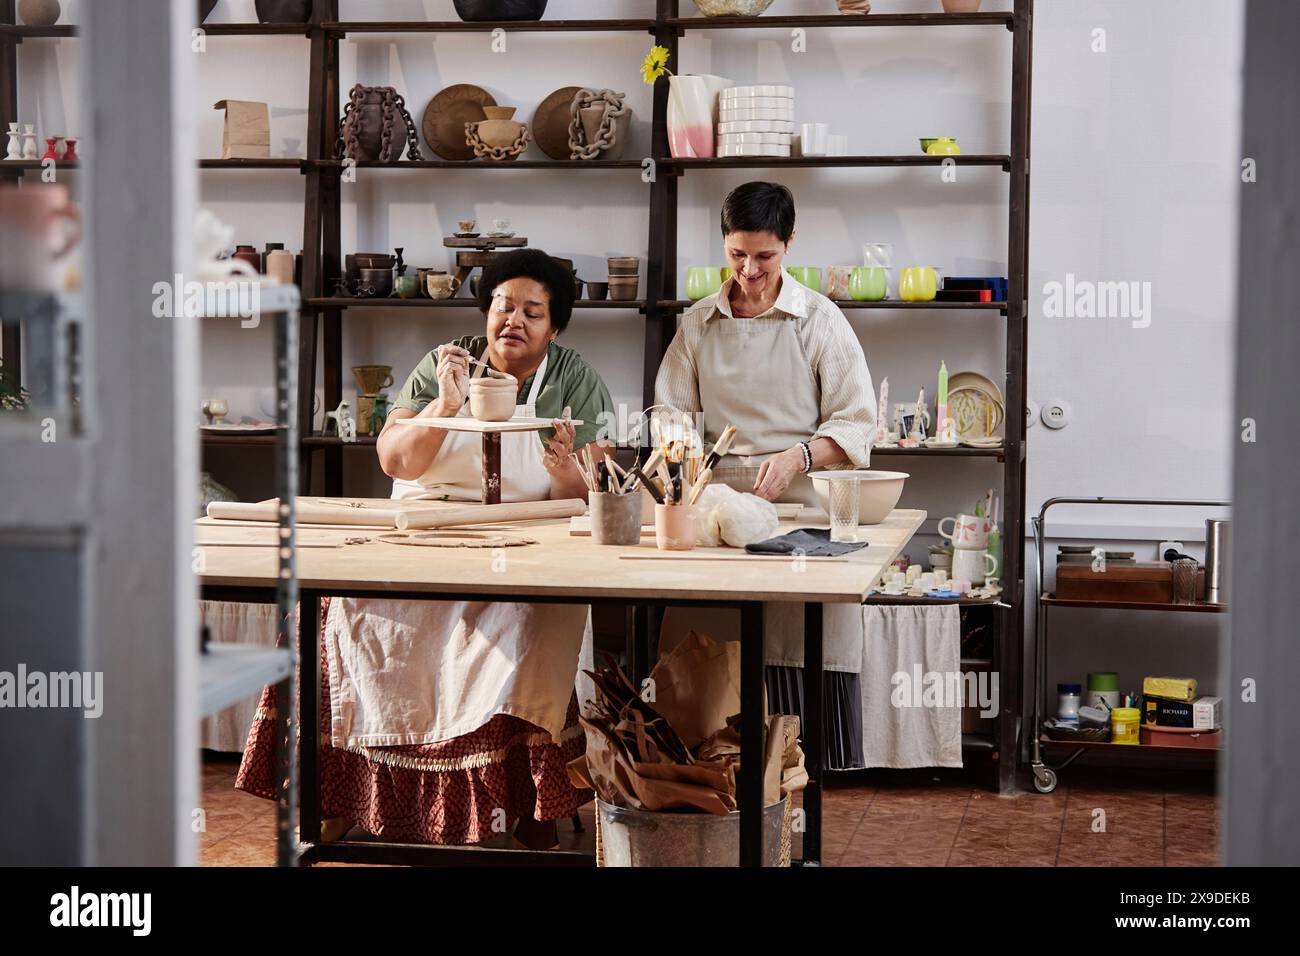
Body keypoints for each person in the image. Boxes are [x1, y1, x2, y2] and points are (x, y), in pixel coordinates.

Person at [238, 249, 615, 848]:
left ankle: (526, 804)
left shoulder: (575, 380)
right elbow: (396, 459)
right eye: (503, 306)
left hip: (526, 535)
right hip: (423, 530)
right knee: (336, 610)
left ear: (556, 326)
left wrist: (565, 467)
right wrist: (445, 403)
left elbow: (595, 492)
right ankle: (333, 791)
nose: (512, 321)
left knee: (533, 616)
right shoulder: (446, 364)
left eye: (532, 312)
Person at [654, 181, 878, 768]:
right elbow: (670, 408)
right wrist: (681, 448)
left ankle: (790, 793)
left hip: (799, 510)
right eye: (736, 254)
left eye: (764, 256)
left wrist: (799, 456)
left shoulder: (818, 320)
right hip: (713, 510)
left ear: (789, 244)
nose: (749, 270)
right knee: (709, 648)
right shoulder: (699, 322)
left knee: (793, 640)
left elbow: (858, 424)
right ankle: (708, 780)